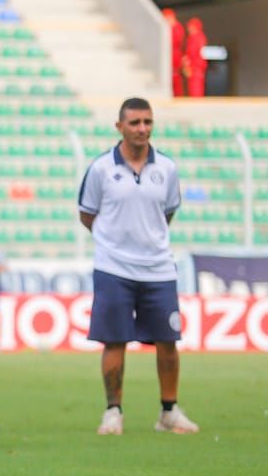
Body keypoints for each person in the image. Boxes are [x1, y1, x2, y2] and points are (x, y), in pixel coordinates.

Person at [78, 98, 198, 436]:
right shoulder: (102, 168)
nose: (142, 128)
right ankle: (113, 411)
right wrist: (112, 242)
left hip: (159, 268)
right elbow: (87, 214)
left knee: (167, 340)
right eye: (134, 122)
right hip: (113, 267)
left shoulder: (167, 169)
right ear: (120, 127)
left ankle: (169, 411)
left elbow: (167, 212)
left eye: (147, 121)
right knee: (114, 340)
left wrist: (147, 239)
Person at [183, 17, 208, 98]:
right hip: (193, 69)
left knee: (196, 93)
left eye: (191, 26)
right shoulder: (191, 38)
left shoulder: (198, 38)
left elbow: (196, 55)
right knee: (192, 91)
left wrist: (190, 65)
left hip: (196, 69)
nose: (189, 29)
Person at [163, 9, 185, 98]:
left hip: (175, 58)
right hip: (171, 57)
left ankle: (178, 96)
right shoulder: (170, 28)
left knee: (175, 78)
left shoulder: (177, 28)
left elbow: (174, 42)